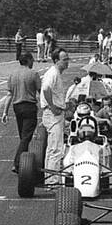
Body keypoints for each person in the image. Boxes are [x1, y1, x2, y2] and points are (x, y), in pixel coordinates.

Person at [3, 52, 41, 173]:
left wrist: (5, 112)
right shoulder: (33, 74)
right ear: (29, 60)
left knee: (23, 135)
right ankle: (18, 162)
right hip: (29, 106)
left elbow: (9, 95)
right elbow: (41, 92)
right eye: (32, 60)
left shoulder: (13, 75)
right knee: (26, 137)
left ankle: (24, 162)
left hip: (17, 106)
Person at [39, 48, 71, 187]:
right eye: (65, 59)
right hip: (53, 113)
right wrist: (52, 106)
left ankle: (50, 179)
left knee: (52, 147)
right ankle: (52, 182)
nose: (67, 62)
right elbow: (46, 89)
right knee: (56, 148)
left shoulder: (55, 73)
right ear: (57, 60)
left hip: (55, 112)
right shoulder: (53, 73)